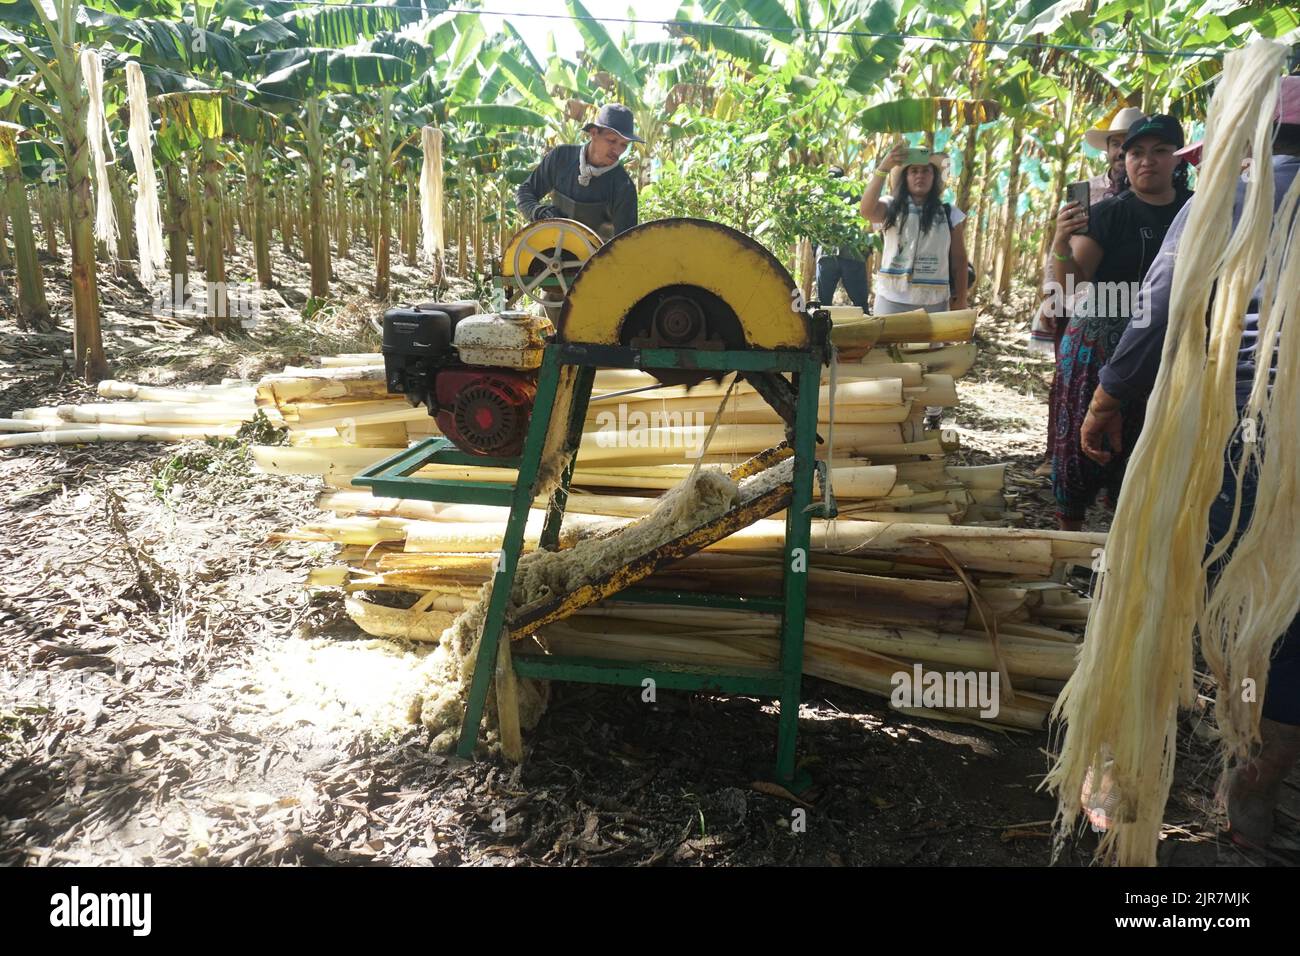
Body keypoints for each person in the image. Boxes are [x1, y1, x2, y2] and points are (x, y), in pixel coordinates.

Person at [1080, 78, 1300, 848]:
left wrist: (1108, 398)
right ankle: (1255, 785)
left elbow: (1160, 302)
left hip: (1216, 435)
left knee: (1159, 586)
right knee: (1286, 617)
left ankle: (1120, 773)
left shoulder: (1222, 201)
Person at [1046, 113, 1193, 531]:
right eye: (1136, 153)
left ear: (1178, 158)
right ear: (1123, 161)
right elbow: (1072, 284)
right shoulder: (1110, 213)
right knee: (1080, 448)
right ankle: (1064, 546)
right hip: (1099, 345)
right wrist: (1060, 245)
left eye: (1160, 151)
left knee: (1147, 451)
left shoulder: (1198, 209)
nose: (1147, 161)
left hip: (1169, 345)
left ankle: (1124, 548)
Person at [1029, 108, 1147, 476]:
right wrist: (1052, 293)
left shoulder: (1159, 195)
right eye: (1116, 143)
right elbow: (1062, 245)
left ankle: (1119, 465)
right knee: (1069, 381)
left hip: (1137, 306)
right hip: (1082, 302)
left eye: (1128, 143)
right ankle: (1060, 455)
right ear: (1110, 150)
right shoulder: (1089, 193)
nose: (1120, 151)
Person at [861, 143, 970, 316]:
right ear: (906, 178)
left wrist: (961, 299)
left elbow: (959, 259)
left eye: (926, 171)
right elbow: (866, 211)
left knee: (931, 344)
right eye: (914, 171)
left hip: (934, 303)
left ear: (934, 177)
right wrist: (883, 168)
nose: (920, 175)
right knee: (886, 344)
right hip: (891, 301)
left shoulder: (950, 214)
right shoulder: (890, 207)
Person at [515, 103, 641, 242]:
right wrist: (537, 212)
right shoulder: (561, 157)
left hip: (597, 261)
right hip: (551, 254)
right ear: (593, 133)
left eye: (624, 144)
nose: (618, 150)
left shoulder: (623, 186)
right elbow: (525, 192)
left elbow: (627, 244)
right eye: (612, 140)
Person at [814, 166, 871, 308]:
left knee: (823, 304)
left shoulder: (819, 194)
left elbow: (813, 229)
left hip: (827, 254)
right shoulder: (855, 192)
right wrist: (865, 251)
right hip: (852, 253)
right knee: (861, 304)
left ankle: (822, 330)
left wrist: (814, 250)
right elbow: (867, 220)